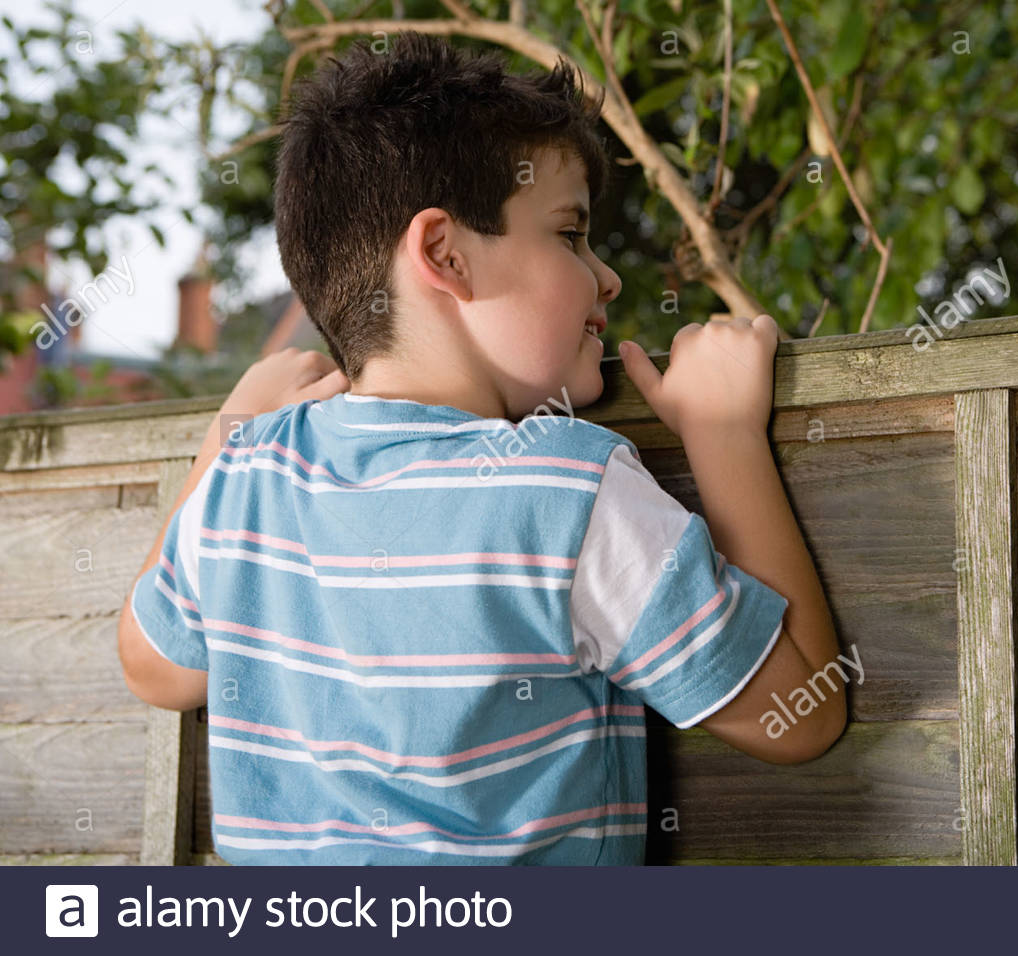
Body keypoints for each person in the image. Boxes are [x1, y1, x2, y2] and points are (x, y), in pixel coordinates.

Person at [117, 33, 845, 865]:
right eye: (570, 235)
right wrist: (723, 435)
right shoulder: (565, 490)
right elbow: (803, 715)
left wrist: (225, 437)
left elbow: (153, 668)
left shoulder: (249, 475)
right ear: (445, 255)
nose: (607, 279)